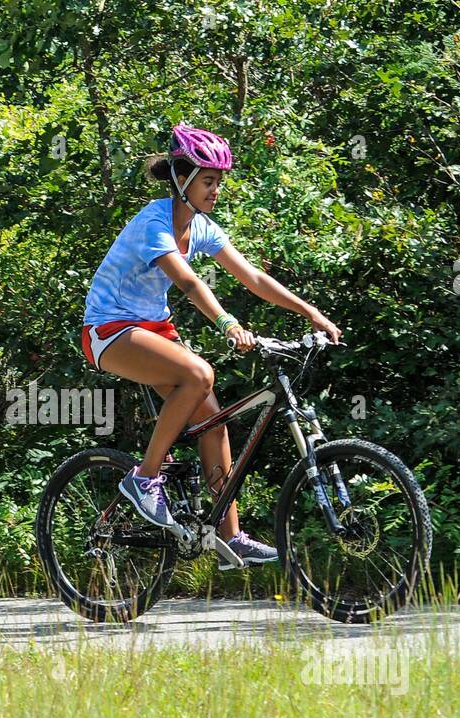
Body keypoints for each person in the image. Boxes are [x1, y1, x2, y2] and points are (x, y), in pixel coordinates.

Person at [81, 123, 342, 569]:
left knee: (214, 422)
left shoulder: (200, 226)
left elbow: (253, 277)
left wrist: (310, 311)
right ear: (182, 180)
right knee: (200, 374)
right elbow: (186, 280)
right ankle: (143, 480)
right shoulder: (153, 223)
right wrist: (226, 322)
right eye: (207, 180)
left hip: (152, 330)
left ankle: (231, 538)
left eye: (218, 181)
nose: (215, 189)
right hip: (108, 330)